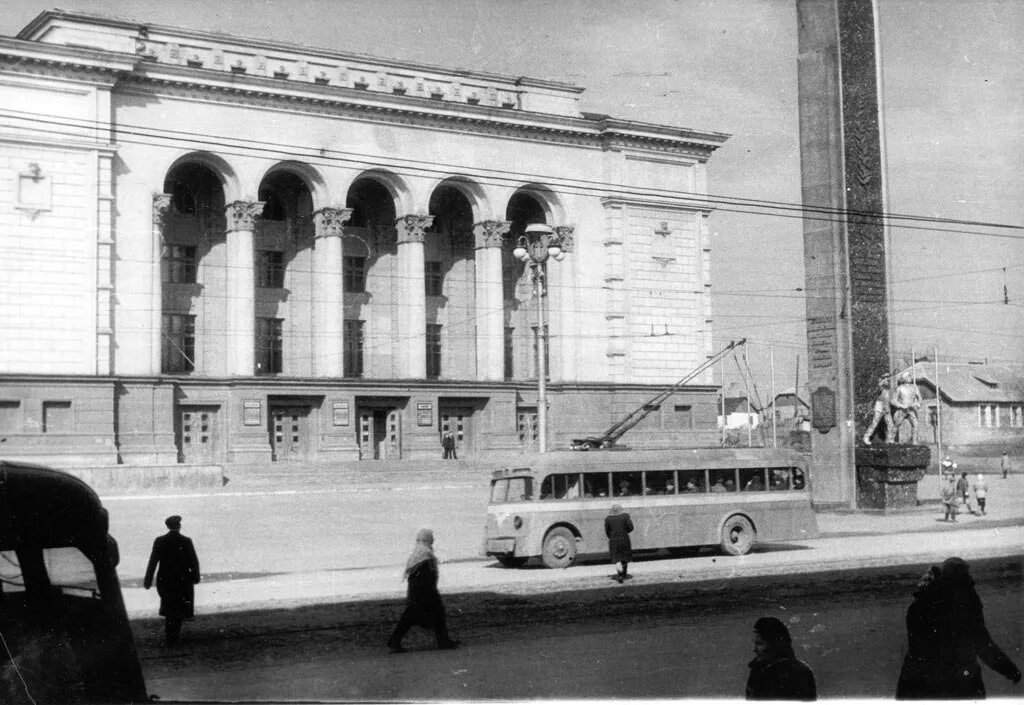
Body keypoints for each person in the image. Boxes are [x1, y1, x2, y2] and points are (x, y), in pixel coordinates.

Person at [895, 557, 1021, 699]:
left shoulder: (921, 598)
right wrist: (1008, 669)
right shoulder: (967, 598)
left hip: (919, 681)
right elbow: (983, 644)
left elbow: (916, 646)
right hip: (960, 680)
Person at [387, 529, 459, 653]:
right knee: (431, 613)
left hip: (417, 590)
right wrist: (432, 591)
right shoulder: (425, 554)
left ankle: (443, 641)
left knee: (413, 616)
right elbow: (426, 575)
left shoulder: (418, 553)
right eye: (431, 537)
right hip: (424, 590)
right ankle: (443, 641)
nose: (433, 539)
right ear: (426, 538)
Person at [144, 515, 201, 647]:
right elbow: (194, 561)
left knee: (169, 607)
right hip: (182, 579)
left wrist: (148, 580)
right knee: (179, 608)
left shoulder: (160, 540)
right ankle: (174, 636)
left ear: (168, 526)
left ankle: (170, 636)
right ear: (179, 526)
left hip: (165, 579)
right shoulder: (186, 541)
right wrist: (196, 577)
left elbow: (153, 561)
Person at [745, 616, 817, 700]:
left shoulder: (799, 673)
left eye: (759, 644)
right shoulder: (757, 670)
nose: (754, 650)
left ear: (775, 645)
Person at [604, 504, 633, 584]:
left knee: (617, 558)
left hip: (613, 541)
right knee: (624, 557)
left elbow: (607, 531)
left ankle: (620, 575)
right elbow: (631, 528)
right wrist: (625, 531)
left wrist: (611, 536)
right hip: (624, 539)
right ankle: (624, 574)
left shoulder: (608, 519)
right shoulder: (625, 516)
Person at [862, 373, 894, 445]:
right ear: (883, 378)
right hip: (879, 406)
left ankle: (889, 440)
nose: (888, 379)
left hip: (886, 406)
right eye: (886, 377)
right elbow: (879, 389)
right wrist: (883, 382)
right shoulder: (880, 385)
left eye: (888, 377)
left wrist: (887, 408)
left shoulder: (888, 387)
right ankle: (866, 437)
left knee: (890, 424)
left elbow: (888, 398)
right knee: (875, 423)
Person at [891, 370, 922, 444]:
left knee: (915, 424)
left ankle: (914, 441)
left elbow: (920, 398)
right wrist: (901, 406)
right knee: (896, 424)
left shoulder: (914, 387)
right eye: (908, 376)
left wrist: (918, 404)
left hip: (911, 410)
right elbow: (893, 401)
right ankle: (891, 440)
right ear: (904, 379)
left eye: (910, 376)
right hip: (902, 410)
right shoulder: (900, 388)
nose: (910, 378)